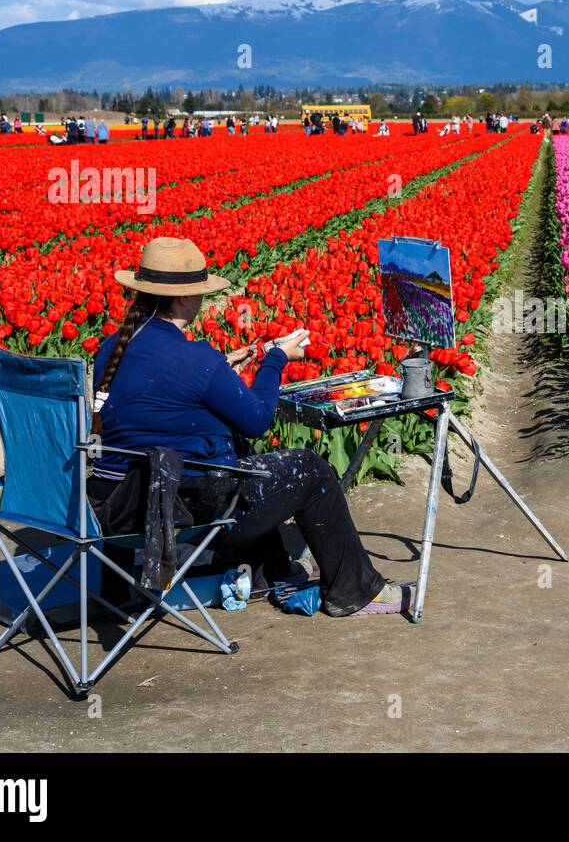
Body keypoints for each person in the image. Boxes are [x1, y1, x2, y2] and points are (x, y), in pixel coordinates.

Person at [89, 237, 412, 617]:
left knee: (239, 465)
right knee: (308, 469)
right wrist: (276, 359)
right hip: (183, 509)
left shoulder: (113, 347)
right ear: (181, 300)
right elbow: (258, 420)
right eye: (198, 293)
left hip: (119, 504)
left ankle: (272, 571)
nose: (202, 301)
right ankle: (355, 590)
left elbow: (162, 396)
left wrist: (221, 371)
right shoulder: (197, 360)